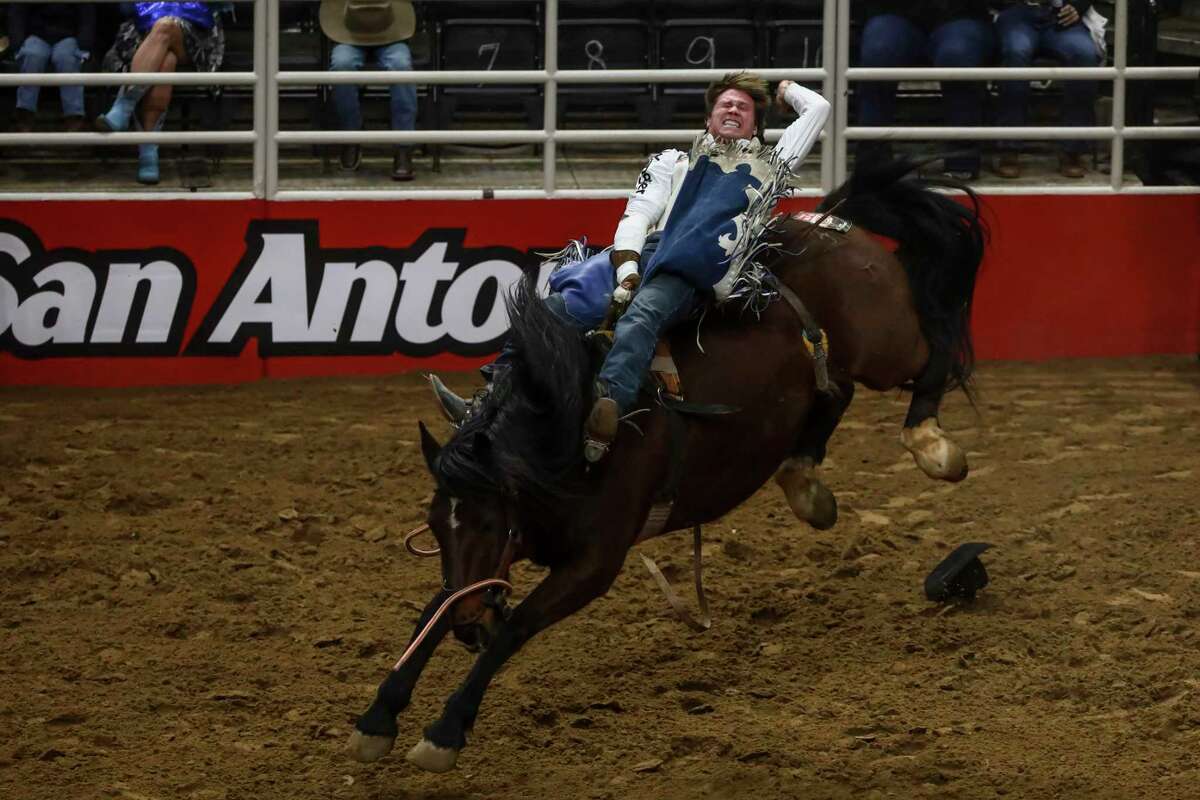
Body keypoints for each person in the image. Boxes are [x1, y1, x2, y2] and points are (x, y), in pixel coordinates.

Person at [584, 71, 831, 460]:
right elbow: (638, 215)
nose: (733, 108)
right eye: (725, 104)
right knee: (563, 301)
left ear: (755, 126)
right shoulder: (677, 159)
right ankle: (495, 396)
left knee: (640, 317)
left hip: (691, 265)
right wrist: (628, 267)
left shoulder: (772, 165)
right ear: (708, 120)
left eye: (743, 107)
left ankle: (607, 413)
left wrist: (783, 89)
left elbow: (818, 108)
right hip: (646, 253)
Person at [856, 1, 994, 180]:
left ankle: (962, 160)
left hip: (962, 15)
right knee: (878, 52)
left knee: (957, 55)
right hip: (894, 13)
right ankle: (872, 161)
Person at [93, 2, 226, 185]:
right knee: (166, 61)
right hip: (142, 32)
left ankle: (124, 104)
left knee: (165, 26)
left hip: (195, 31)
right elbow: (123, 8)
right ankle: (148, 150)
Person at [993, 1, 1107, 179]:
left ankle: (1073, 150)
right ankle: (1009, 148)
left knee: (1084, 54)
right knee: (1015, 52)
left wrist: (1078, 5)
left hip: (1060, 13)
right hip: (1017, 13)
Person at [318, 0, 418, 181]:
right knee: (342, 66)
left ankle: (404, 144)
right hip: (348, 33)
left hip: (391, 32)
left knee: (401, 66)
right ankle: (351, 134)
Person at [8, 2, 97, 133]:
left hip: (69, 35)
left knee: (66, 58)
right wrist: (17, 42)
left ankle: (74, 117)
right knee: (32, 56)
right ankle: (24, 114)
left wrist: (84, 43)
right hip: (36, 34)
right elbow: (17, 11)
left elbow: (87, 13)